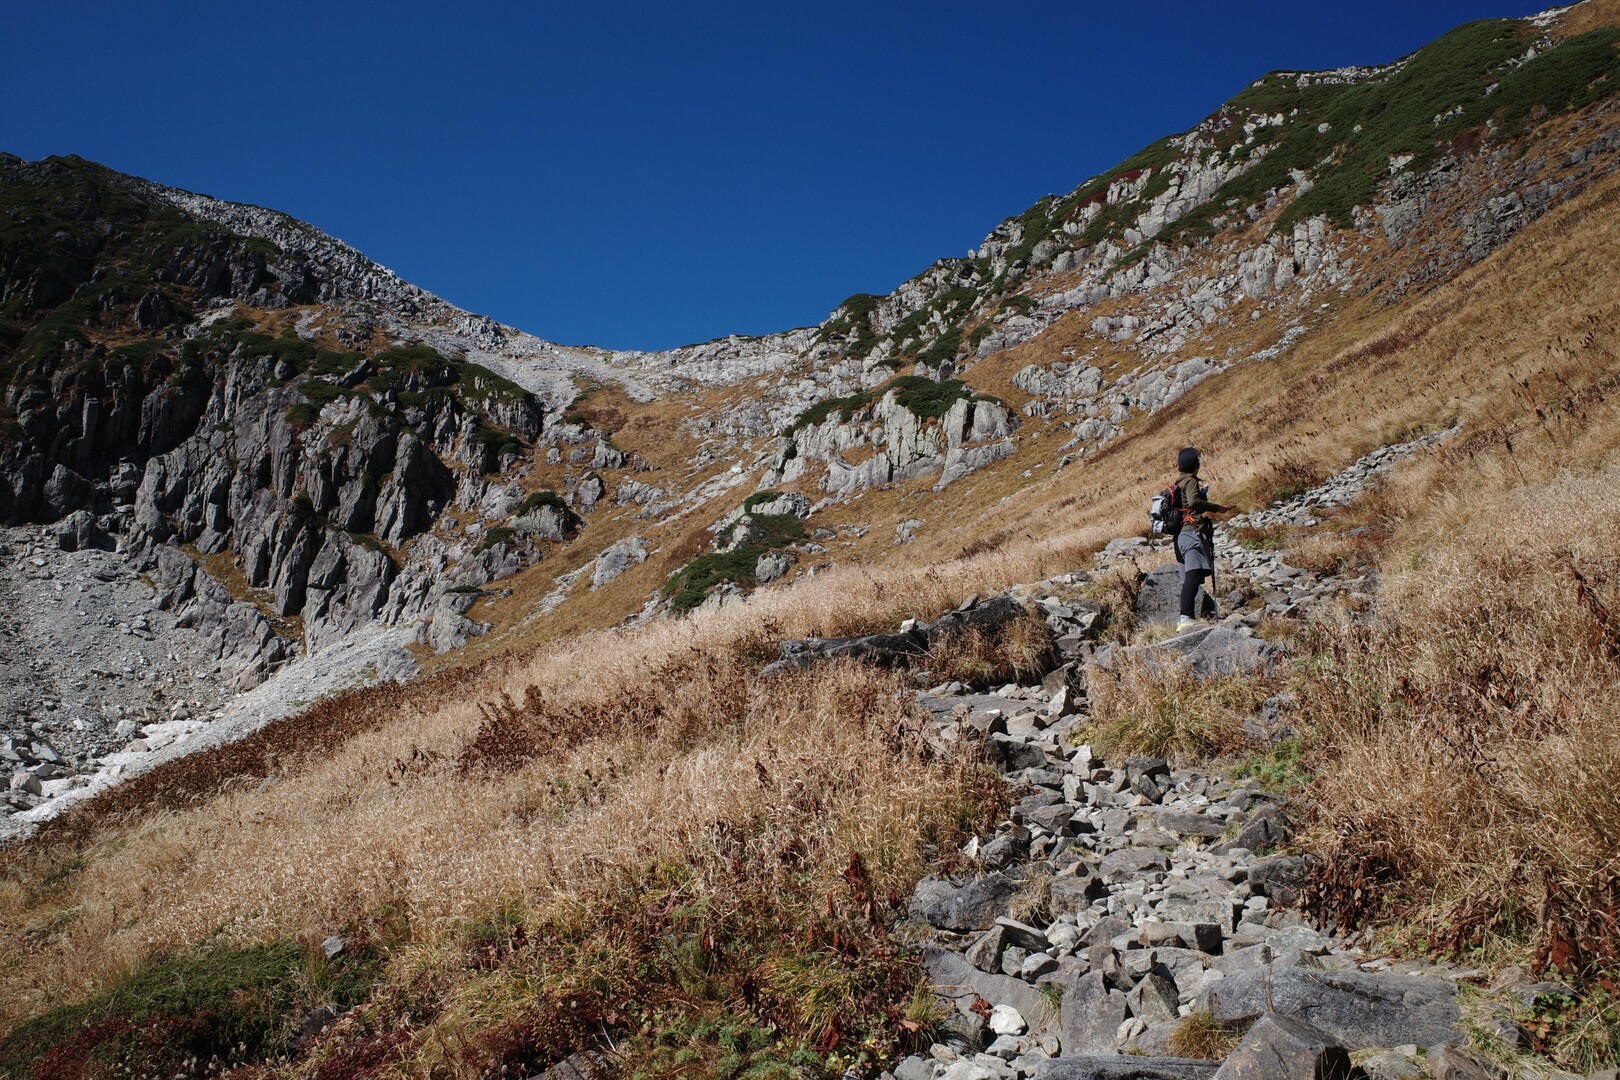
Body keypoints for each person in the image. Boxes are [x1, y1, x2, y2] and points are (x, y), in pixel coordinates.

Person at [1173, 447, 1232, 632]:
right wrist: (1217, 508)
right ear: (1196, 466)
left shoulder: (1177, 483)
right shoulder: (1190, 482)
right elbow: (1193, 503)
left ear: (1178, 467)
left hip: (1180, 537)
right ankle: (1185, 619)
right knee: (1193, 574)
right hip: (1192, 533)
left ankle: (1187, 617)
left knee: (1189, 576)